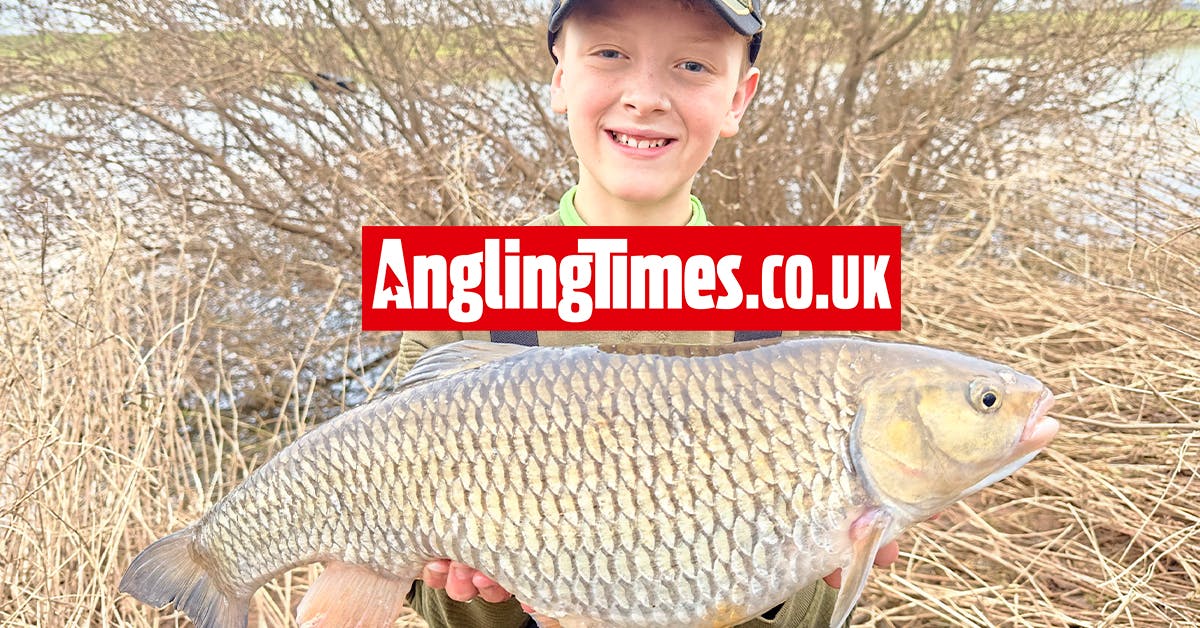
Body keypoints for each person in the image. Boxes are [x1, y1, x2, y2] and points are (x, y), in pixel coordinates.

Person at [398, 0, 900, 625]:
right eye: (610, 54)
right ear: (560, 77)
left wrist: (792, 564)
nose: (645, 97)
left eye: (691, 65)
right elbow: (428, 597)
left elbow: (823, 610)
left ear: (738, 99)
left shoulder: (809, 303)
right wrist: (484, 591)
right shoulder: (461, 287)